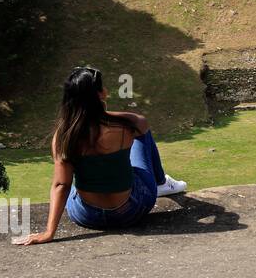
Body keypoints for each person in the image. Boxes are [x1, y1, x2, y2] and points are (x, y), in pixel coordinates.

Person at [16, 67, 186, 244]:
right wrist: (102, 113)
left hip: (87, 216)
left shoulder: (64, 136)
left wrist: (49, 232)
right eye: (102, 88)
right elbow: (141, 122)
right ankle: (162, 183)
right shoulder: (125, 126)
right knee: (143, 137)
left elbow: (61, 185)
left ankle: (159, 183)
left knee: (71, 182)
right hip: (130, 212)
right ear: (100, 95)